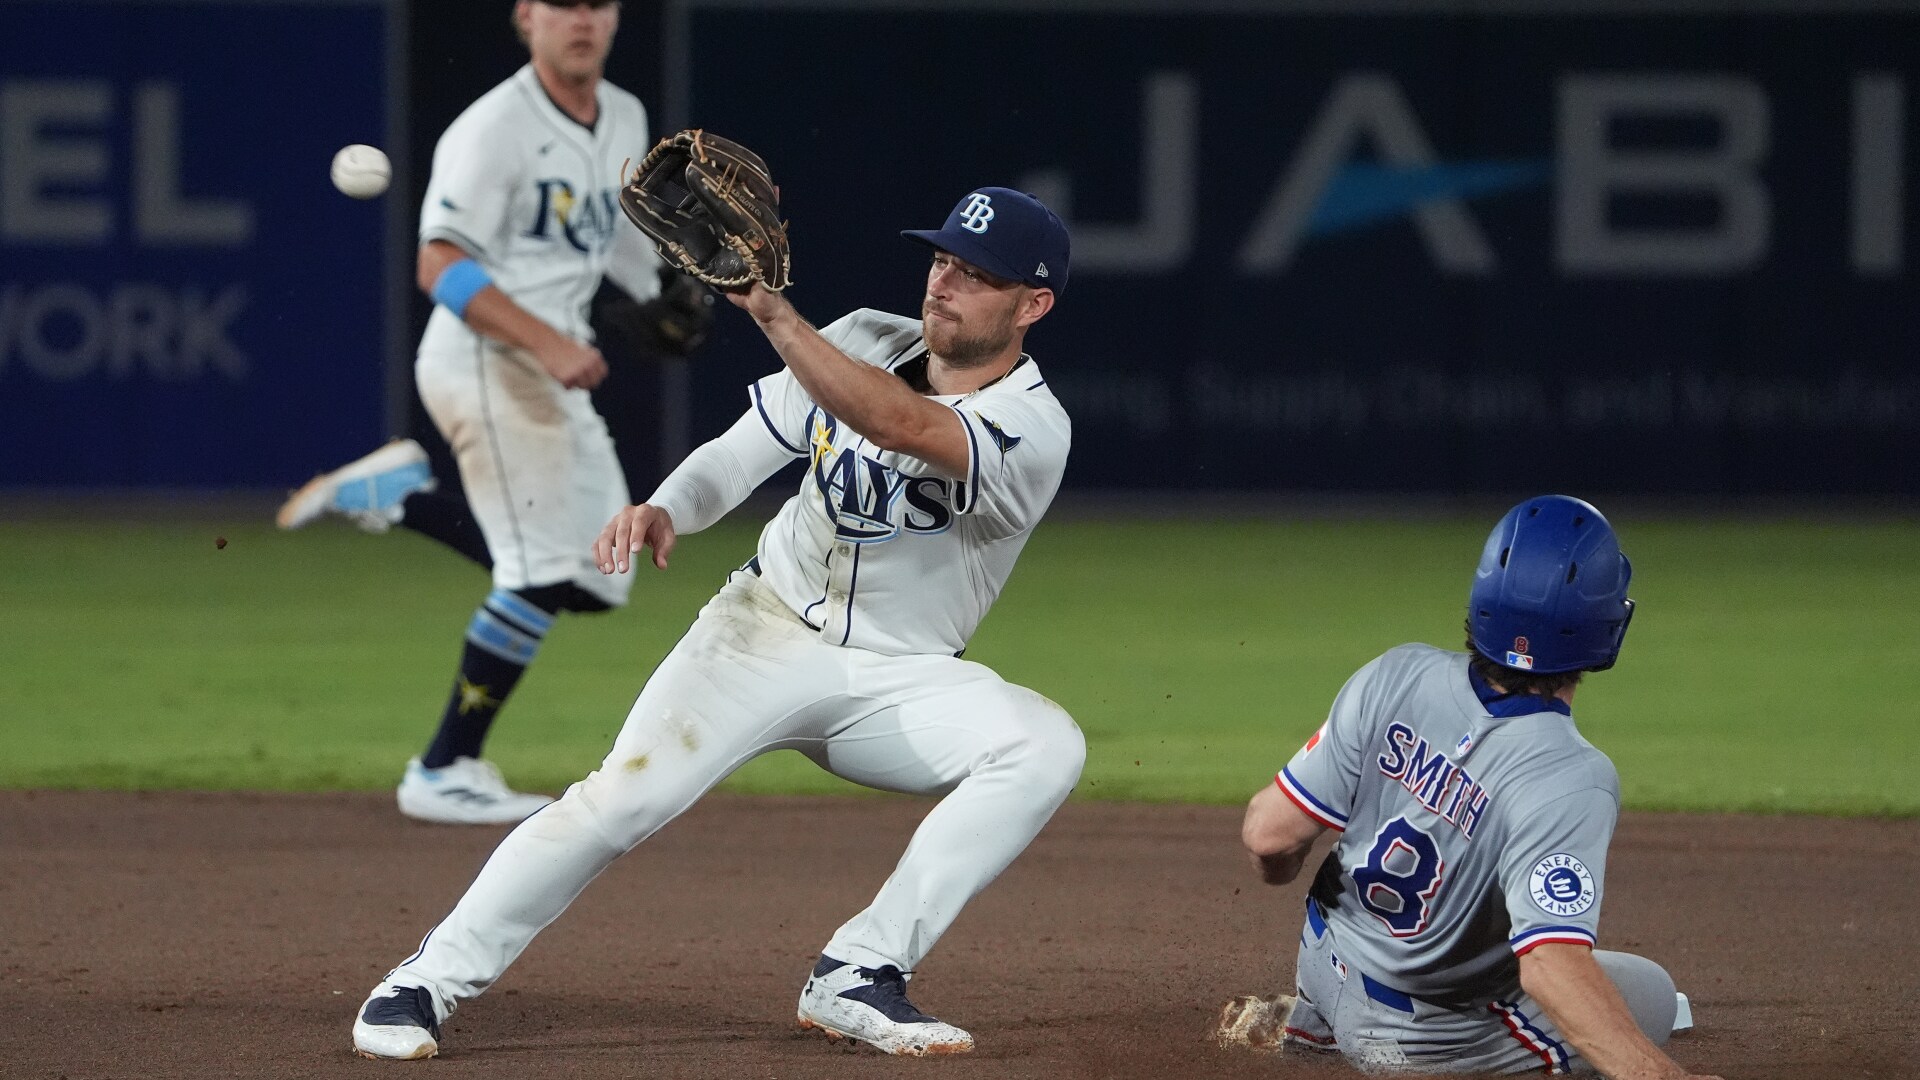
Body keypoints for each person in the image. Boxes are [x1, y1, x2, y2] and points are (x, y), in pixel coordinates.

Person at [349, 186, 1084, 1060]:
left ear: (1032, 305)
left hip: (899, 678)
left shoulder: (1032, 426)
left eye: (978, 275)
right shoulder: (858, 337)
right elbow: (745, 449)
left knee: (1044, 744)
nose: (944, 284)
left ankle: (860, 971)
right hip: (760, 632)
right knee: (619, 802)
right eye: (942, 260)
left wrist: (773, 315)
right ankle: (421, 983)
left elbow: (893, 418)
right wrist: (668, 505)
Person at [276, 0, 710, 824]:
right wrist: (548, 343)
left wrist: (666, 285)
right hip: (485, 362)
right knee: (542, 571)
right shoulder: (491, 129)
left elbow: (619, 233)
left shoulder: (623, 115)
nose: (581, 20)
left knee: (593, 575)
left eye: (598, 4)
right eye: (562, 4)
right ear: (526, 18)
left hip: (548, 372)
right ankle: (443, 768)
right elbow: (438, 265)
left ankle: (396, 497)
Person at [1233, 495, 1722, 1079]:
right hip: (1419, 1043)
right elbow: (1549, 965)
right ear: (1605, 626)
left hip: (1319, 958)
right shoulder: (1572, 777)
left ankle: (1316, 1020)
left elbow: (1269, 836)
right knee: (1653, 999)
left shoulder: (1396, 672)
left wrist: (1290, 877)